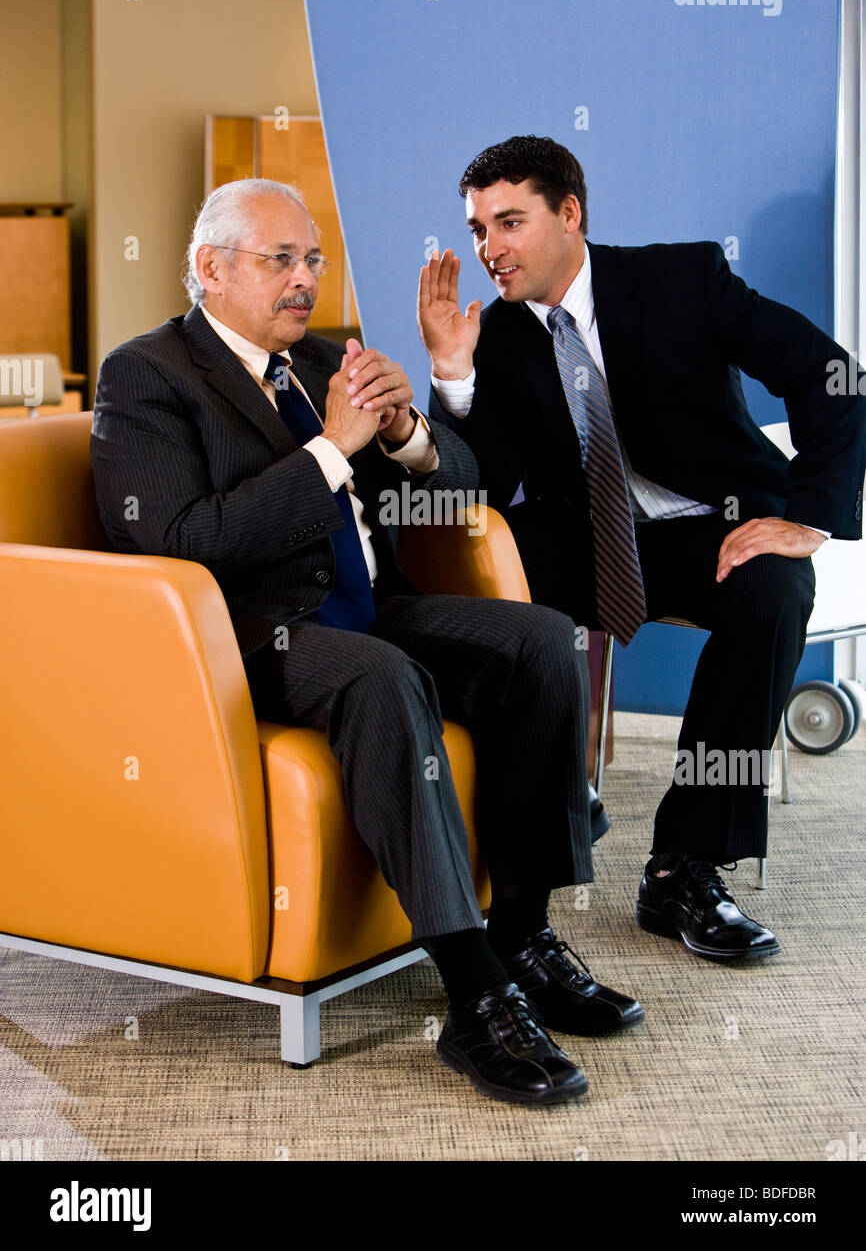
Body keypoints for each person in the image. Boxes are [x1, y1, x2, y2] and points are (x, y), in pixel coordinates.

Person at [90, 176, 645, 1109]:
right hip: (246, 637)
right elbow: (178, 541)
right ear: (209, 269)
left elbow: (456, 492)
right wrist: (331, 451)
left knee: (544, 642)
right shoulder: (147, 375)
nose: (305, 279)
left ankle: (523, 934)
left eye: (312, 259)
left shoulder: (319, 360)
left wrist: (410, 430)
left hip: (370, 604)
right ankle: (473, 996)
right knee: (384, 678)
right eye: (281, 261)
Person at [421, 135, 866, 964]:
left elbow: (831, 376)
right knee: (485, 572)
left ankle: (685, 866)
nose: (491, 249)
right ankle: (531, 826)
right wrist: (453, 375)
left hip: (715, 524)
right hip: (590, 536)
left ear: (570, 213)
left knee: (774, 589)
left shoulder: (683, 280)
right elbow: (475, 491)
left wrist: (808, 517)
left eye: (510, 222)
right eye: (480, 229)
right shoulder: (501, 337)